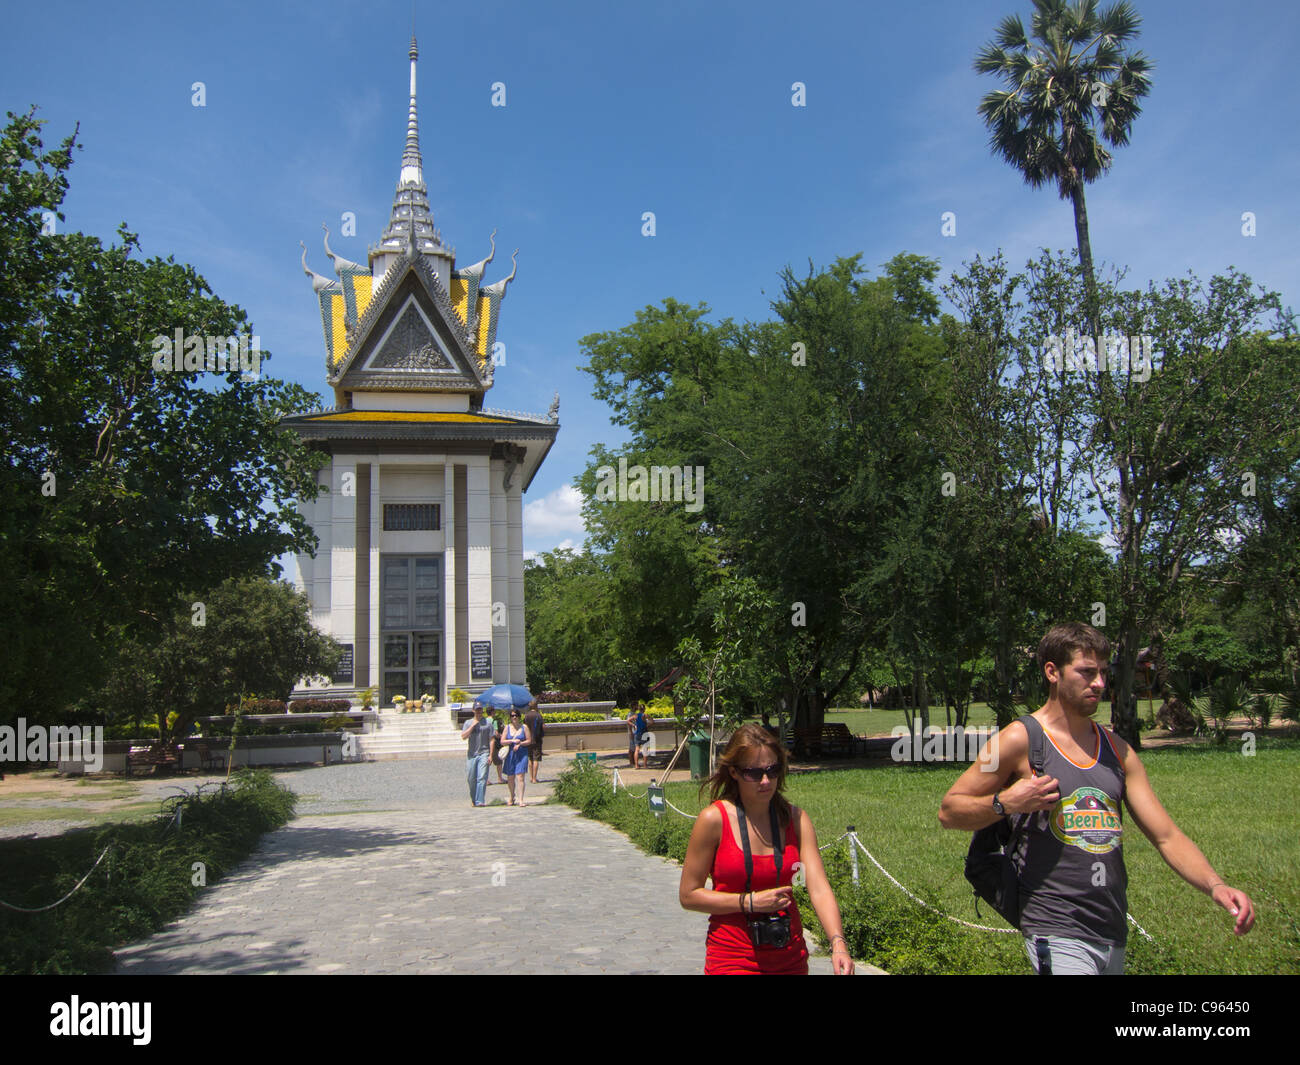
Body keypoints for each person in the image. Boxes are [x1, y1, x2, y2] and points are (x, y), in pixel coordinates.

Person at [939, 621, 1255, 975]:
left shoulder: (1118, 751)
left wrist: (1216, 886)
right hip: (1055, 926)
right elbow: (950, 810)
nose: (1100, 684)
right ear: (1052, 672)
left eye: (1104, 673)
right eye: (1087, 672)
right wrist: (1008, 802)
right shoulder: (1017, 741)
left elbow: (1166, 835)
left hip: (1111, 929)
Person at [679, 723, 854, 975]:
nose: (765, 781)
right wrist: (748, 902)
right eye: (755, 773)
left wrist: (838, 943)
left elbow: (818, 887)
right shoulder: (713, 820)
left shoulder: (795, 819)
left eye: (773, 771)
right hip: (732, 958)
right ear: (734, 772)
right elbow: (689, 895)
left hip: (789, 956)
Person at [460, 702, 496, 808]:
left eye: (480, 710)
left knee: (482, 777)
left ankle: (480, 800)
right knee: (471, 778)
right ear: (473, 711)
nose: (479, 712)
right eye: (477, 710)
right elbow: (463, 736)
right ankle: (474, 799)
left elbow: (492, 740)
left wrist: (490, 755)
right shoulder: (468, 722)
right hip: (472, 754)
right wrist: (472, 726)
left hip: (484, 753)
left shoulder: (488, 723)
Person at [501, 709, 531, 806]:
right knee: (510, 777)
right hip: (510, 755)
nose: (514, 717)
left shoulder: (524, 727)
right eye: (512, 716)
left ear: (519, 717)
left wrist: (520, 743)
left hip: (522, 754)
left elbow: (529, 740)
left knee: (520, 777)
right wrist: (511, 742)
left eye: (516, 715)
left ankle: (521, 799)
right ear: (510, 717)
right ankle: (511, 796)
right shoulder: (507, 728)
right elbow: (502, 741)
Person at [523, 699, 545, 784]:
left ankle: (531, 777)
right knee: (536, 758)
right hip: (537, 739)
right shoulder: (538, 715)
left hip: (528, 739)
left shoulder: (526, 715)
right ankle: (534, 778)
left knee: (530, 758)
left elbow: (524, 726)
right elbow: (543, 727)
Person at [489, 709, 507, 784]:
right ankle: (500, 778)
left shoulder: (484, 721)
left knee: (487, 762)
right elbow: (496, 733)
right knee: (499, 761)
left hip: (486, 742)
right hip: (495, 743)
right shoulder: (494, 721)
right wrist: (502, 736)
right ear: (492, 712)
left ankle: (486, 779)